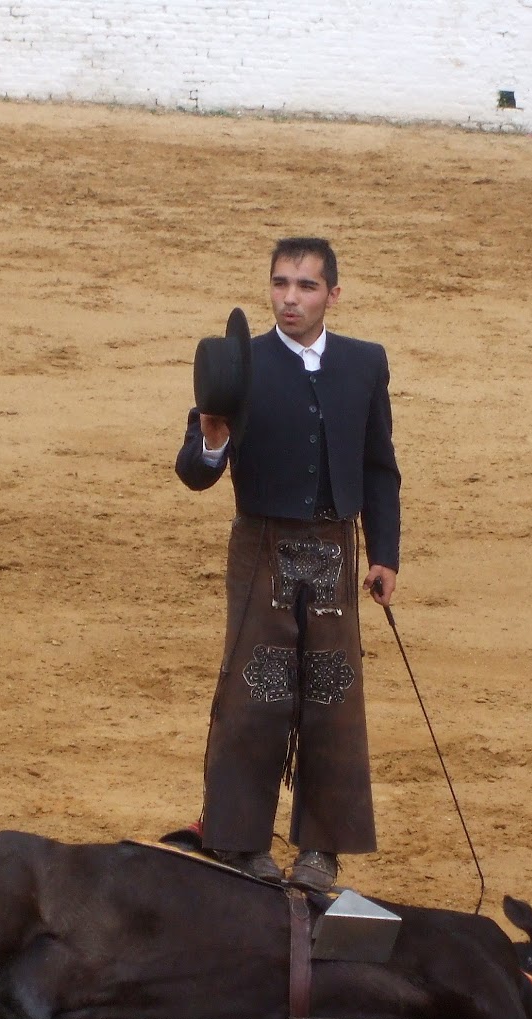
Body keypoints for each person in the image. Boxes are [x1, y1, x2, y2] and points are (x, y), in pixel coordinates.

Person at [175, 237, 400, 890]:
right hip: (262, 548)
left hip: (335, 546)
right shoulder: (237, 365)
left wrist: (383, 554)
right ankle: (238, 840)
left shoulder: (364, 362)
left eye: (305, 286)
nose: (290, 299)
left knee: (333, 693)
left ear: (333, 294)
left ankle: (321, 850)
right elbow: (193, 471)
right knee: (256, 693)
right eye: (280, 284)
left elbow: (378, 466)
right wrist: (212, 441)